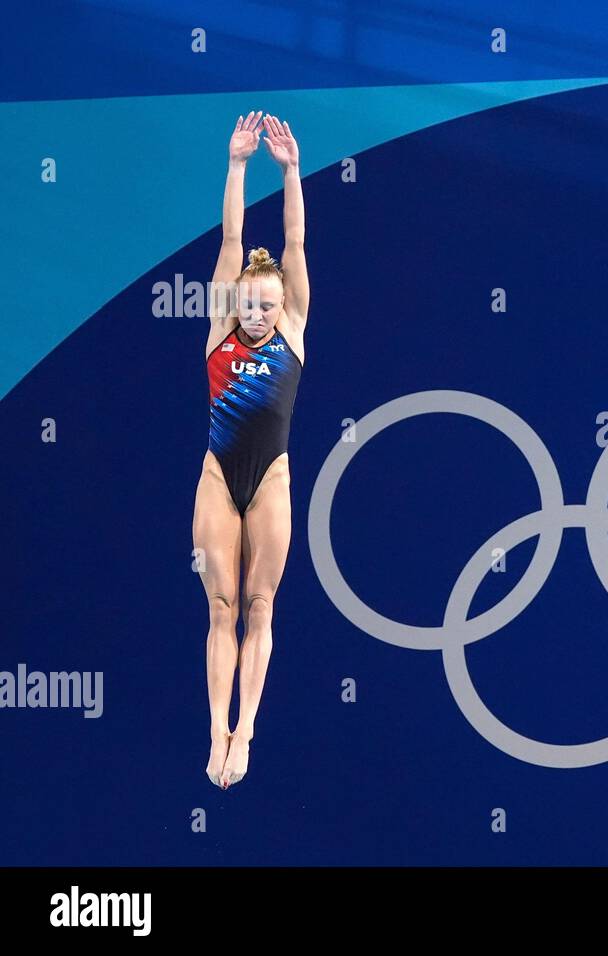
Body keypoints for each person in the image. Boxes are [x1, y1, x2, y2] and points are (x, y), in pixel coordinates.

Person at [193, 111, 309, 788]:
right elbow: (233, 236)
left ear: (282, 304)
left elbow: (293, 242)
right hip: (217, 479)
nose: (259, 314)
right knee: (220, 608)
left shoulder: (294, 327)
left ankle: (248, 728)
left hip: (270, 482)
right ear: (236, 304)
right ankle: (216, 731)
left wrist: (291, 172)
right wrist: (237, 166)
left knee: (261, 607)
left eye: (268, 305)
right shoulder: (220, 329)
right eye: (251, 305)